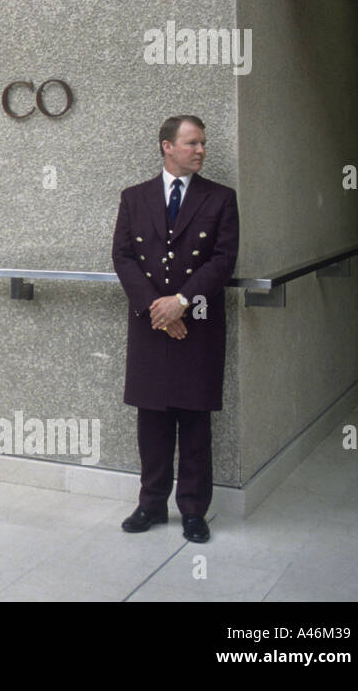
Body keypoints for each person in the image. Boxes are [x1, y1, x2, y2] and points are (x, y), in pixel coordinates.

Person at [111, 115, 238, 543]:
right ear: (167, 146)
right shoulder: (134, 198)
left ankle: (193, 511)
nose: (201, 150)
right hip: (150, 324)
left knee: (195, 419)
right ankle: (151, 504)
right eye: (192, 143)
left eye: (203, 143)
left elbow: (222, 260)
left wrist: (180, 302)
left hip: (197, 323)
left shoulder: (221, 199)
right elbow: (123, 257)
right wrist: (156, 307)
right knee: (153, 420)